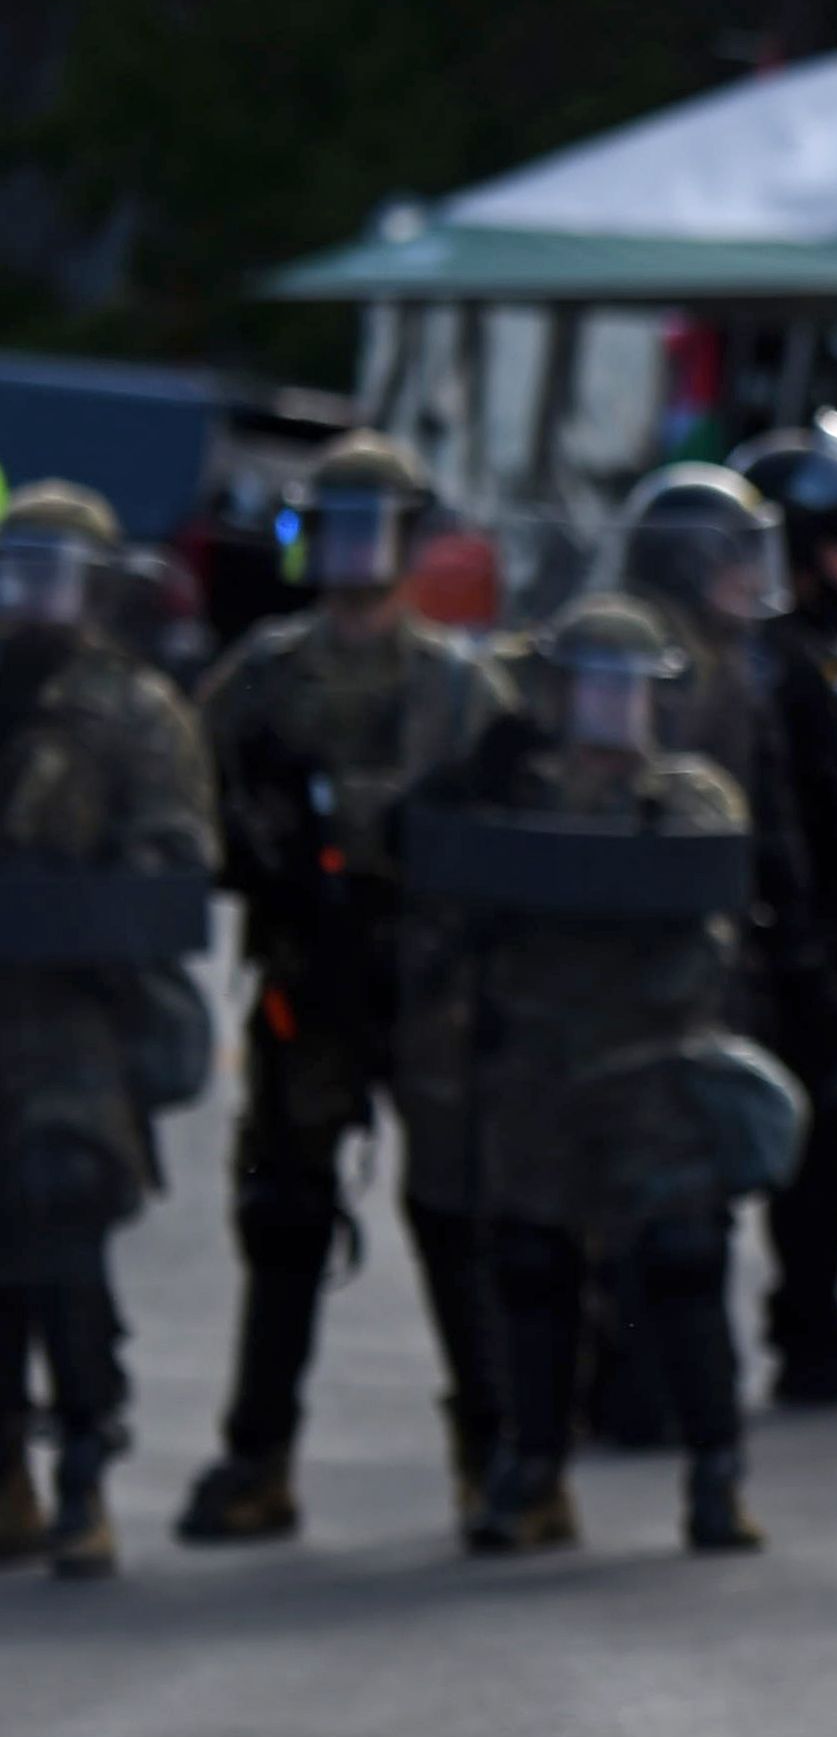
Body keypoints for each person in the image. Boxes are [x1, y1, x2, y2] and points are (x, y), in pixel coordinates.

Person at [394, 593, 791, 1557]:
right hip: (538, 1071)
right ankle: (532, 1470)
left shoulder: (687, 798)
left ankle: (717, 1470)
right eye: (591, 687)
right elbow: (435, 901)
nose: (611, 709)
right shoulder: (518, 796)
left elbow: (710, 907)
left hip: (653, 1066)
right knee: (532, 1266)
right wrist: (454, 805)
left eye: (629, 688)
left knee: (682, 1264)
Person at [174, 433, 502, 1539]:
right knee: (284, 1217)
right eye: (339, 528)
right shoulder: (263, 678)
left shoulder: (460, 687)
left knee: (459, 1217)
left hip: (432, 980)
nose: (354, 556)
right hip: (307, 979)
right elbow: (194, 815)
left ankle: (495, 1458)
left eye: (376, 530)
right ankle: (258, 1456)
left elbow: (513, 825)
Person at [617, 462, 837, 1412]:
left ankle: (776, 1341)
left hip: (756, 949)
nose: (756, 579)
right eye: (734, 562)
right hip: (675, 960)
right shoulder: (651, 671)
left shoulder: (749, 666)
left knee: (804, 1141)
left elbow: (787, 820)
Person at [0, 482, 218, 1578]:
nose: (32, 595)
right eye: (18, 566)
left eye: (56, 573)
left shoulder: (133, 710)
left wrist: (82, 897)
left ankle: (85, 1456)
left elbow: (179, 856)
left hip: (78, 1020)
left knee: (60, 1217)